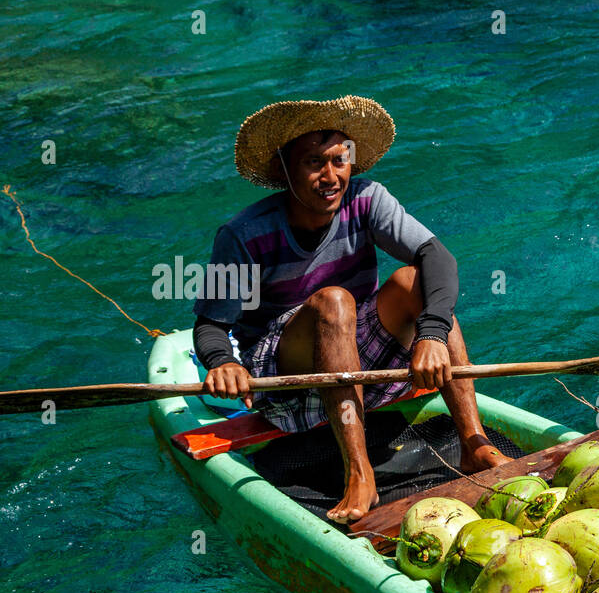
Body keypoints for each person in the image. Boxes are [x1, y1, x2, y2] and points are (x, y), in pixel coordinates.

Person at [192, 95, 509, 524]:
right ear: (285, 170)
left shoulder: (368, 199)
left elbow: (438, 258)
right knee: (335, 301)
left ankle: (472, 441)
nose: (330, 176)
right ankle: (359, 473)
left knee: (417, 281)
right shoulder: (243, 234)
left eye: (339, 160)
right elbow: (211, 325)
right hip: (286, 380)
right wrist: (222, 362)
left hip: (356, 360)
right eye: (313, 163)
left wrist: (431, 334)